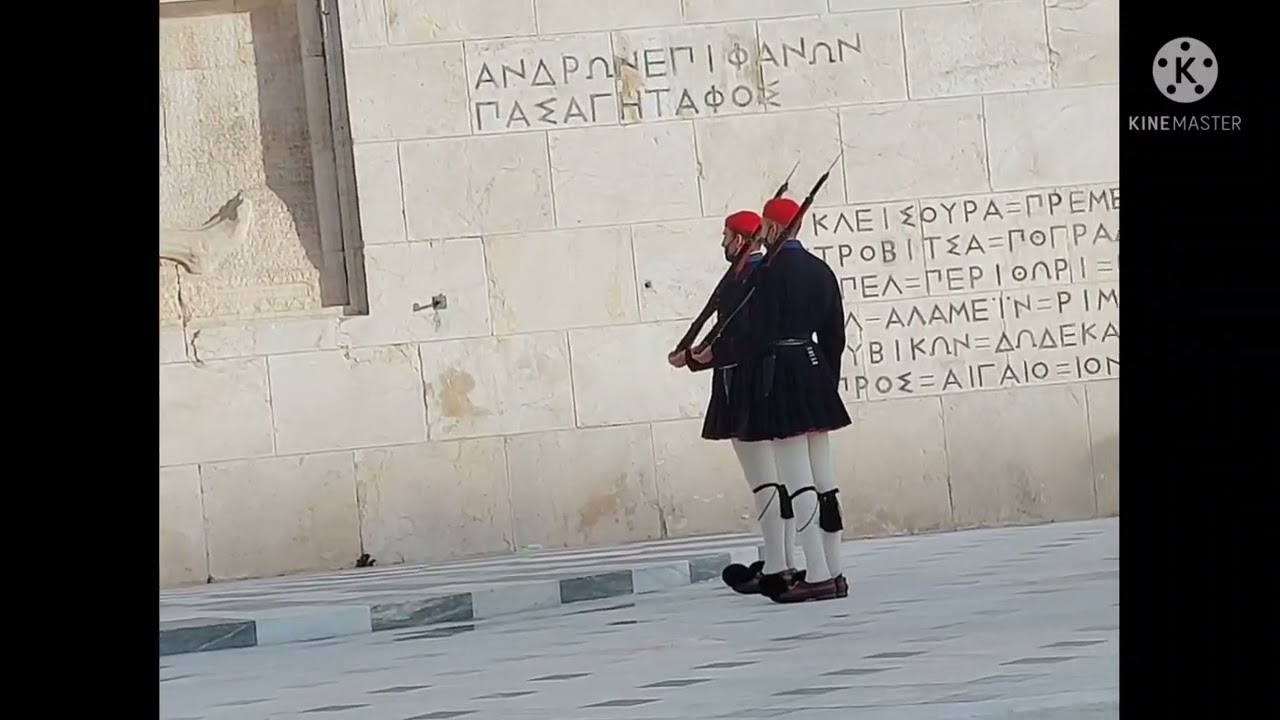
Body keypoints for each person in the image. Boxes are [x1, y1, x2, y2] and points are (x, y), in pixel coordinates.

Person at [689, 196, 852, 603]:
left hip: (782, 369)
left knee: (798, 482)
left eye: (764, 227)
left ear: (775, 229)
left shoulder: (770, 274)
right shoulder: (821, 270)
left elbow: (756, 335)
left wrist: (712, 356)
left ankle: (817, 574)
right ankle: (834, 570)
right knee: (824, 482)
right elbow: (835, 334)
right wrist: (825, 381)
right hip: (814, 368)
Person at [670, 211, 800, 595]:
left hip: (746, 385)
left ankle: (779, 565)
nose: (722, 243)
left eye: (726, 236)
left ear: (742, 239)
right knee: (776, 483)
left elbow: (740, 338)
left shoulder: (749, 279)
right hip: (755, 382)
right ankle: (784, 560)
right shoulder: (752, 276)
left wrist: (694, 359)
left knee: (765, 483)